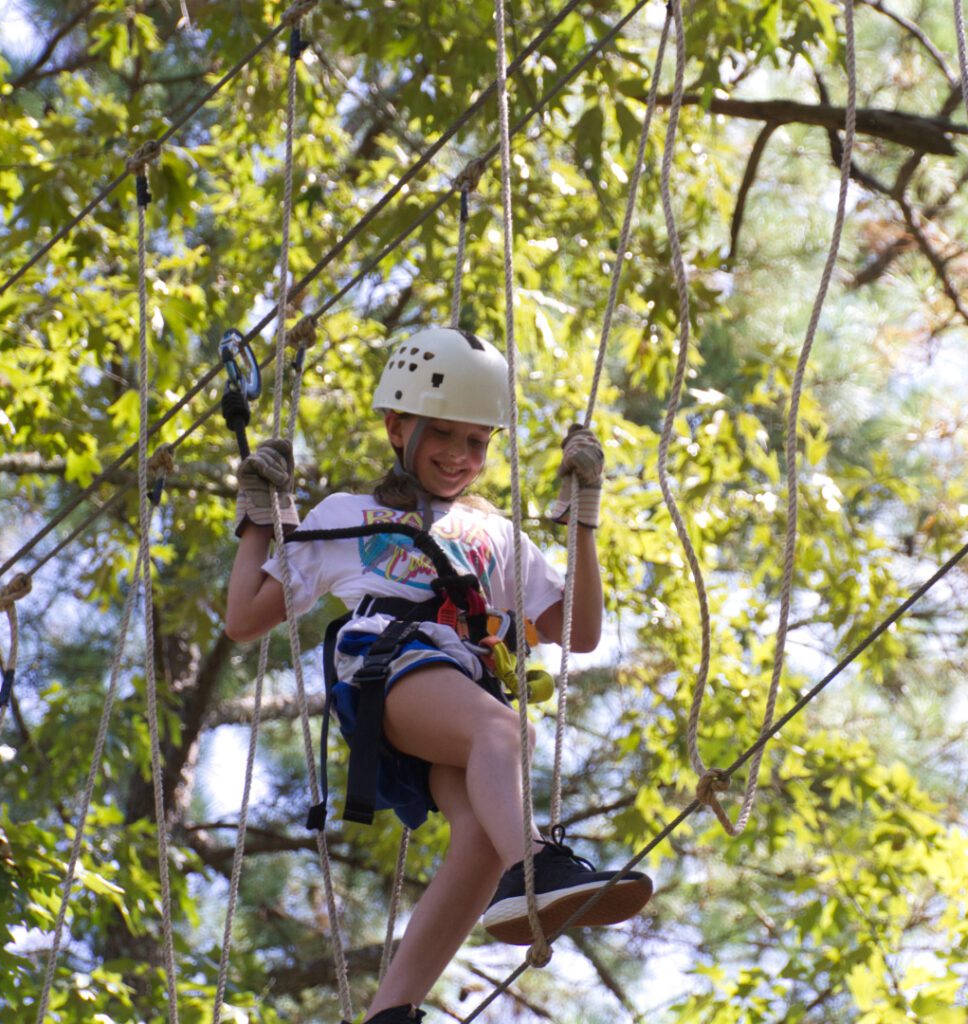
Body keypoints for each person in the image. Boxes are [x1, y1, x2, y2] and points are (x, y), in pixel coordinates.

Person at [226, 327, 653, 1024]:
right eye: (443, 436)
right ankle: (541, 863)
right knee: (500, 729)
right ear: (398, 426)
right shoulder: (349, 517)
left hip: (457, 688)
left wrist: (583, 520)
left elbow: (578, 632)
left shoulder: (497, 535)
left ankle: (391, 1011)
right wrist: (258, 519)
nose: (460, 457)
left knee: (485, 837)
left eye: (477, 443)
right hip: (389, 669)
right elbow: (244, 618)